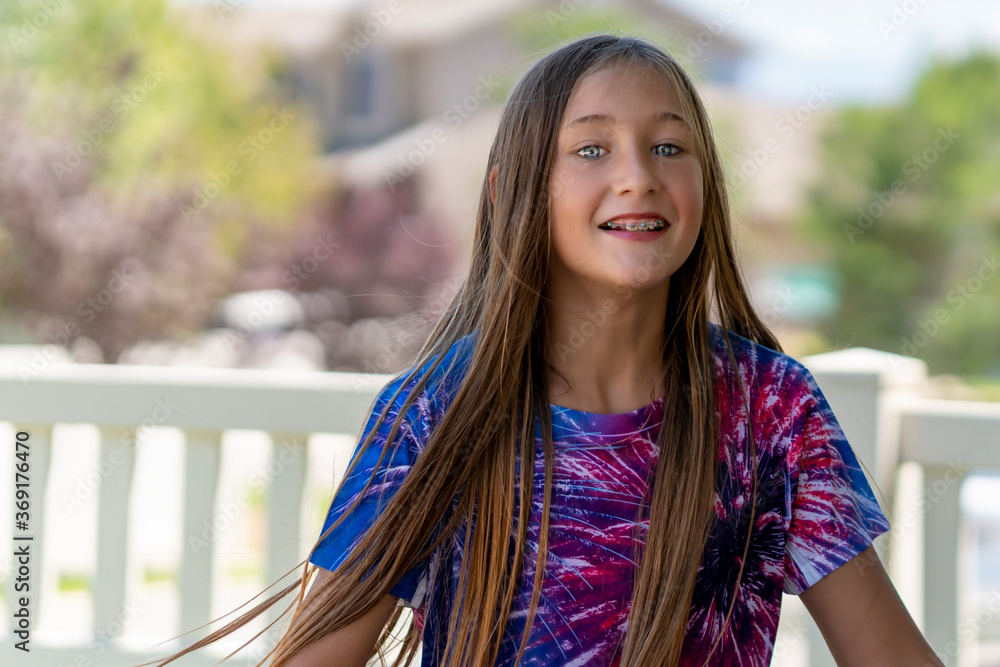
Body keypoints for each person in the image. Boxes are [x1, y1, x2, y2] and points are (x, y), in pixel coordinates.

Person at [141, 32, 944, 667]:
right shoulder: (436, 410)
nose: (638, 176)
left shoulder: (773, 409)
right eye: (592, 149)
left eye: (670, 147)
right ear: (513, 190)